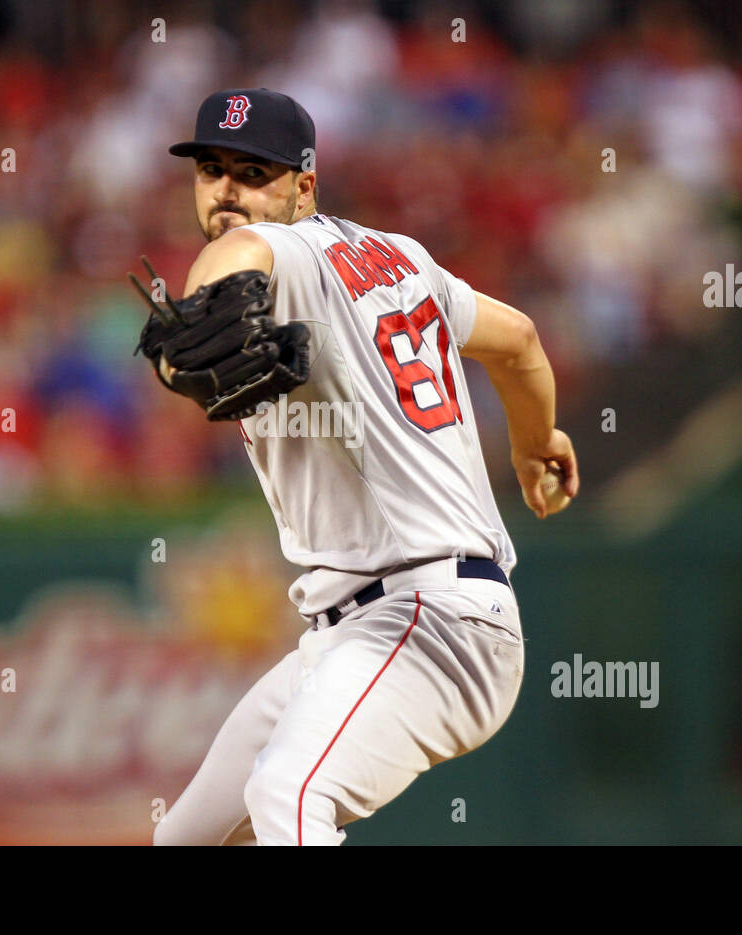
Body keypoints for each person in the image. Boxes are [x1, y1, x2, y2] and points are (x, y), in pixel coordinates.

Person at [148, 89, 578, 845]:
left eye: (254, 173)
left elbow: (236, 253)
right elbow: (519, 340)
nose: (227, 191)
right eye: (211, 169)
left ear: (304, 187)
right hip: (352, 634)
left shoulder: (285, 250)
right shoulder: (403, 259)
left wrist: (192, 317)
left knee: (288, 792)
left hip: (432, 617)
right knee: (185, 837)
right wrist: (536, 440)